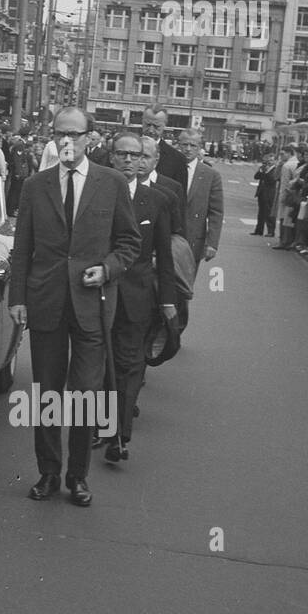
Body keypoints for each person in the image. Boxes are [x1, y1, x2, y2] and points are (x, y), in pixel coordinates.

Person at [8, 107, 141, 507]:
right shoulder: (36, 185)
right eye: (60, 134)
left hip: (92, 306)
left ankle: (77, 476)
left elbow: (129, 243)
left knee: (84, 393)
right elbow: (22, 248)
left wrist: (106, 270)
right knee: (47, 392)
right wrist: (17, 299)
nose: (67, 142)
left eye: (75, 135)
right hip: (47, 301)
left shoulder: (112, 183)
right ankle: (48, 472)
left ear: (90, 139)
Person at [101, 130, 177, 462]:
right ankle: (98, 426)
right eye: (123, 155)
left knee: (130, 363)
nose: (130, 161)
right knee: (99, 361)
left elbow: (165, 254)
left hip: (137, 295)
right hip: (99, 292)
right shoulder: (96, 194)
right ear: (112, 157)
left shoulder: (157, 200)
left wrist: (169, 301)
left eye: (137, 156)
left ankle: (118, 436)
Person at [176, 129, 223, 274]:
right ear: (178, 145)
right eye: (184, 145)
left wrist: (212, 244)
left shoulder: (210, 175)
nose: (188, 149)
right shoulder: (168, 168)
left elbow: (216, 212)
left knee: (185, 286)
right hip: (167, 236)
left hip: (193, 239)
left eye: (193, 145)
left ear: (200, 147)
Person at [141, 107, 187, 186]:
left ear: (164, 125)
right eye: (148, 125)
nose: (151, 130)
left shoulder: (178, 159)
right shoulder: (126, 150)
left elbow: (180, 194)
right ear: (142, 122)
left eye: (156, 126)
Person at [252, 152, 279, 236]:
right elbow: (256, 177)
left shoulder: (275, 169)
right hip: (261, 192)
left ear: (275, 161)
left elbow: (272, 180)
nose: (269, 162)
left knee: (269, 212)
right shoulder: (263, 168)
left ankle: (271, 231)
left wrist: (265, 172)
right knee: (261, 212)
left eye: (272, 160)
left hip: (270, 193)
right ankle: (259, 230)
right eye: (269, 160)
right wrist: (261, 171)